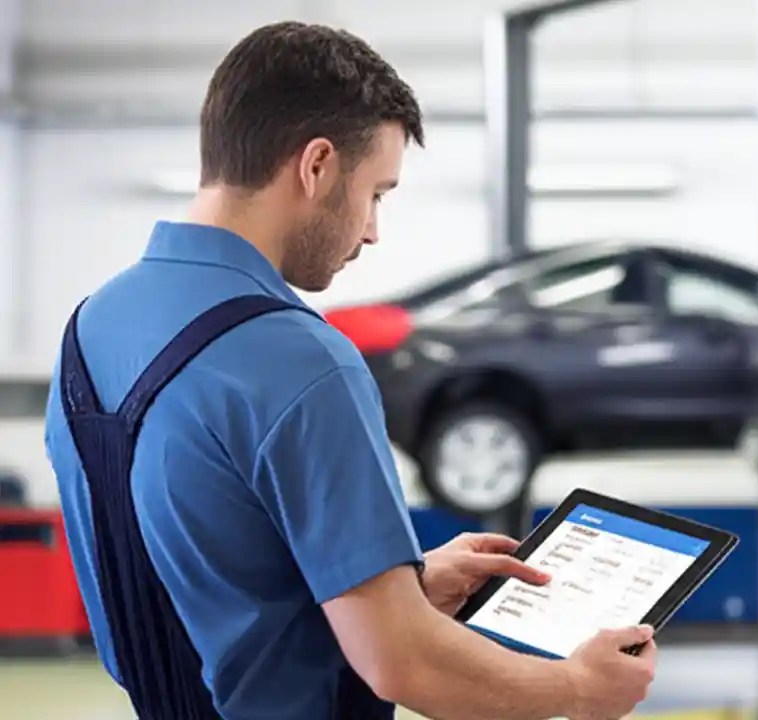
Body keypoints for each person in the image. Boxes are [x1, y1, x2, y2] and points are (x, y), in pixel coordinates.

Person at [44, 20, 657, 720]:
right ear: (317, 166)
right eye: (377, 192)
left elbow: (209, 585)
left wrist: (401, 587)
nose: (372, 230)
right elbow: (405, 663)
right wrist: (578, 688)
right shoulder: (303, 360)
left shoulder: (89, 331)